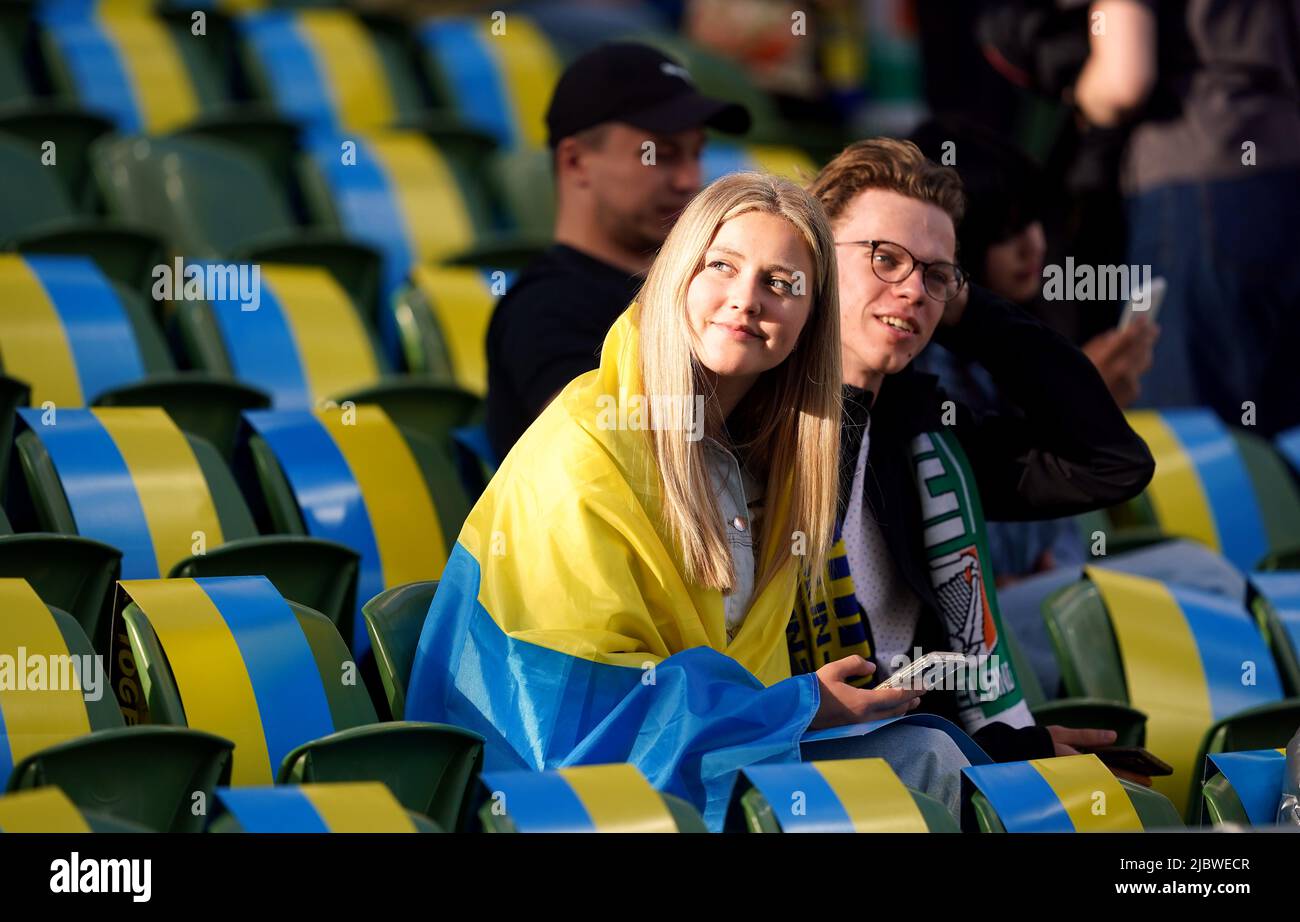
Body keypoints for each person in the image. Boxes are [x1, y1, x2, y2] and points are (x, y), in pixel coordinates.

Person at [408, 172, 980, 830]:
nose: (746, 299)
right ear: (679, 273)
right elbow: (574, 718)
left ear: (810, 320)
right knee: (924, 766)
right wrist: (796, 708)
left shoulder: (763, 466)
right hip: (564, 803)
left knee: (932, 758)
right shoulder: (589, 444)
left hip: (709, 771)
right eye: (722, 266)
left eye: (782, 283)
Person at [796, 138, 1156, 773]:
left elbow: (1112, 463)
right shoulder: (752, 426)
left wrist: (967, 309)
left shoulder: (924, 433)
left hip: (919, 749)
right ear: (817, 258)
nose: (912, 290)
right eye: (885, 258)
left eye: (936, 273)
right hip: (804, 763)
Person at [485, 42, 751, 461]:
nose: (689, 179)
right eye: (660, 154)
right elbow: (608, 449)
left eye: (697, 153)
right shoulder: (543, 305)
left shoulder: (703, 286)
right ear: (576, 162)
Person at [1073, 0, 1300, 436]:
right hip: (1283, 175)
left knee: (1182, 444)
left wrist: (1083, 97)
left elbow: (1123, 81)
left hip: (1192, 186)